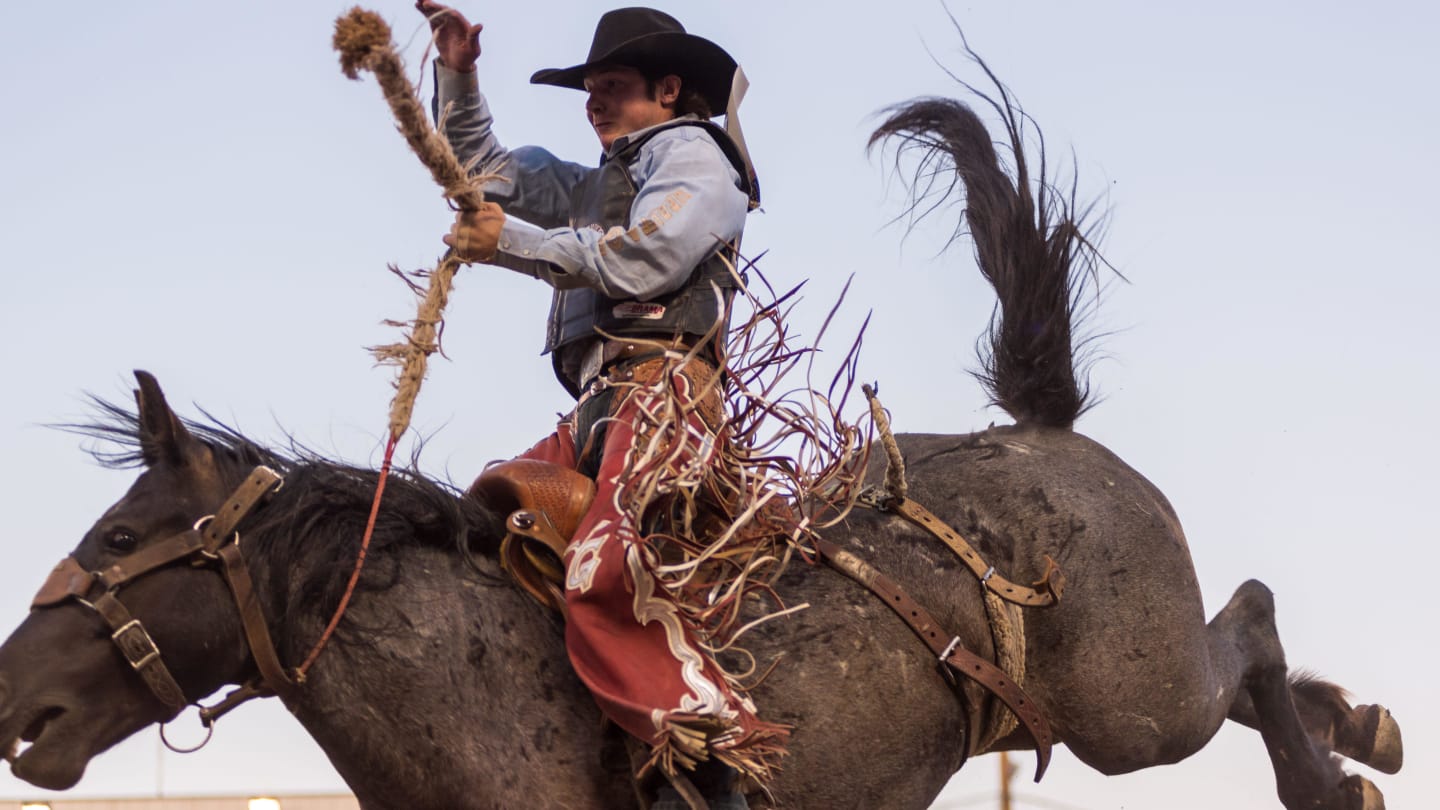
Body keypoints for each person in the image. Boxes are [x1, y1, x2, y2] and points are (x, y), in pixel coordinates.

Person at [416, 3, 774, 806]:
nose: (593, 101)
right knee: (488, 517)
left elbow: (647, 257)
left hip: (664, 398)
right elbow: (481, 168)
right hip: (598, 406)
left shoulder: (694, 157)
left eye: (611, 86)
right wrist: (458, 72)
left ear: (669, 89)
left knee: (608, 566)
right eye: (590, 89)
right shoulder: (594, 184)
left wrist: (509, 240)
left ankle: (711, 766)